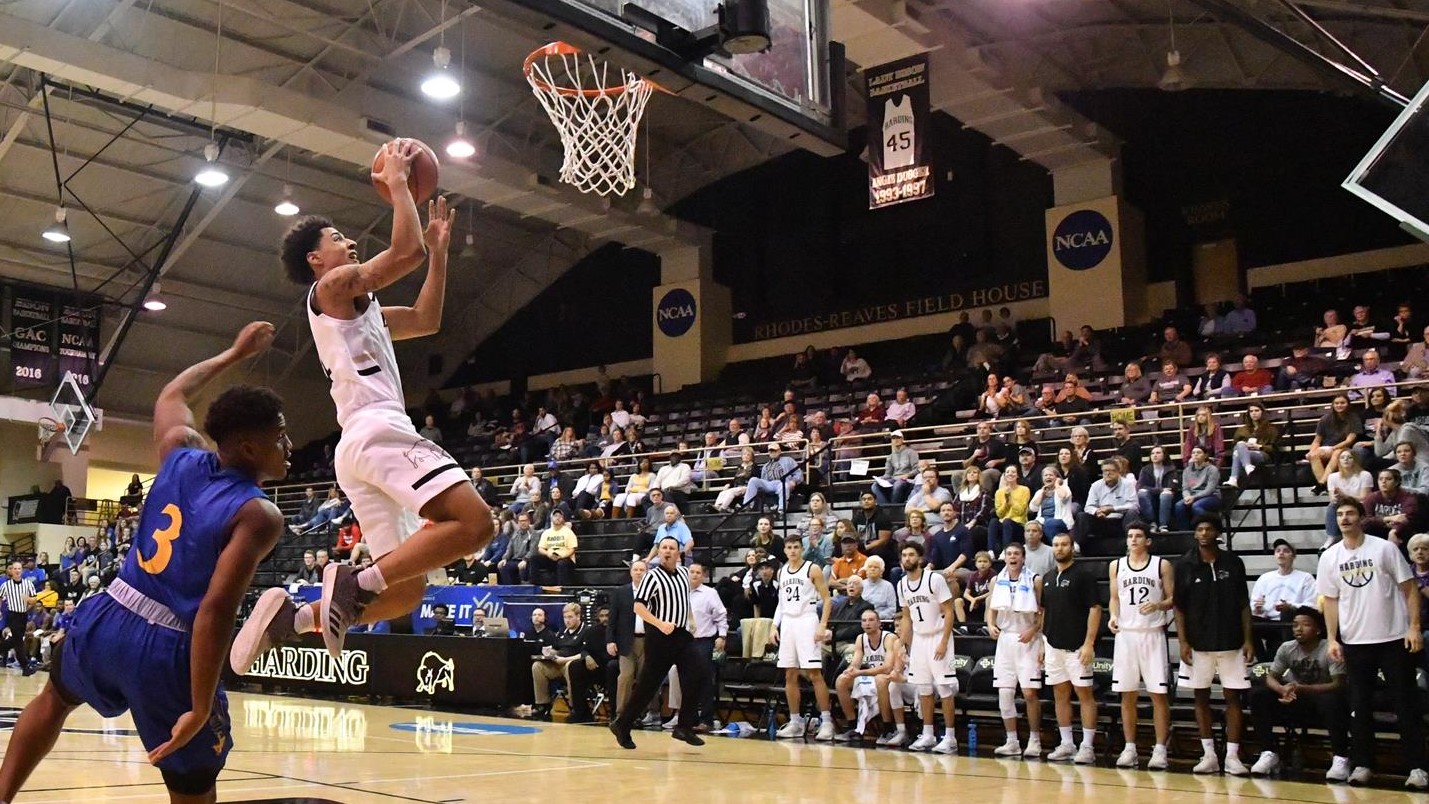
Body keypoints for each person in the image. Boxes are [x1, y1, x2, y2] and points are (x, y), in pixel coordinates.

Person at [0, 322, 287, 804]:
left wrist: (234, 352)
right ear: (249, 447)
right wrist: (199, 705)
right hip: (166, 644)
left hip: (110, 612)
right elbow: (214, 611)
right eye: (279, 436)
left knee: (53, 700)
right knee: (192, 786)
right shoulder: (258, 514)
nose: (289, 445)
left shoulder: (179, 451)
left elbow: (175, 391)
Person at [268, 164, 491, 656]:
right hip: (376, 428)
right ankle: (354, 585)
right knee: (476, 525)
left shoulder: (360, 310)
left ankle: (295, 617)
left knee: (407, 591)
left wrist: (439, 255)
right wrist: (397, 185)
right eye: (337, 238)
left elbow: (426, 320)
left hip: (359, 445)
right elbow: (402, 253)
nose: (349, 243)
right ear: (315, 259)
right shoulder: (327, 290)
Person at [1316, 498, 1426, 788]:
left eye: (1350, 513)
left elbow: (1410, 588)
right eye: (1339, 514)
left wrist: (1414, 627)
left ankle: (1417, 768)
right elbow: (1330, 600)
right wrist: (1331, 638)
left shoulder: (1384, 549)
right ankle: (1363, 764)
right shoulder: (1330, 557)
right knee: (1359, 706)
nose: (1344, 518)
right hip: (1355, 642)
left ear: (1362, 518)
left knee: (1406, 705)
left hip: (1393, 638)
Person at [608, 537, 712, 750]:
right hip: (659, 637)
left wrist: (690, 622)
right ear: (659, 552)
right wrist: (660, 623)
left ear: (678, 553)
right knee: (648, 686)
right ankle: (622, 724)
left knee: (700, 673)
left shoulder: (684, 573)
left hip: (682, 635)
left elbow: (684, 601)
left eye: (671, 548)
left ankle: (683, 727)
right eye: (663, 547)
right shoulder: (652, 576)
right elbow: (639, 607)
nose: (667, 551)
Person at [1174, 516, 1253, 775]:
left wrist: (1249, 639)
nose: (1204, 533)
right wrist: (1183, 641)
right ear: (1195, 534)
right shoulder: (1185, 565)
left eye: (1209, 529)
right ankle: (1208, 754)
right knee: (1201, 697)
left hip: (1232, 641)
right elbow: (1179, 607)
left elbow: (1244, 604)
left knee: (1233, 697)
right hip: (1198, 643)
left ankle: (1232, 755)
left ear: (1217, 533)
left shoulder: (1234, 562)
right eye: (1199, 529)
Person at [1247, 606, 1351, 779]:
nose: (1298, 629)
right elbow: (1270, 677)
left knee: (1333, 700)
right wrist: (1282, 689)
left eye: (1305, 625)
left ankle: (1341, 758)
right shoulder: (1287, 648)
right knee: (1259, 695)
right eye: (1295, 625)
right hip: (1295, 698)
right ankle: (1268, 752)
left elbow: (1338, 684)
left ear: (1318, 630)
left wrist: (1303, 688)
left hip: (1321, 699)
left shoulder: (1330, 649)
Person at [1110, 525, 1175, 770]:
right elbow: (1114, 598)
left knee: (1158, 695)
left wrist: (1158, 605)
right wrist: (1113, 617)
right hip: (1126, 635)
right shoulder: (1116, 565)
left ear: (1148, 541)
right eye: (1130, 536)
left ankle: (1160, 749)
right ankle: (1130, 748)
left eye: (1138, 536)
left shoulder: (1162, 565)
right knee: (1127, 694)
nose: (1133, 539)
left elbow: (1172, 599)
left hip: (1152, 634)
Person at [1042, 533, 1101, 764]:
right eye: (1056, 545)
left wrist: (1089, 643)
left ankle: (1087, 746)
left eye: (1064, 544)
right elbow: (1044, 612)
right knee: (1060, 694)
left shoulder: (1083, 576)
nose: (1059, 548)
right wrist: (1042, 642)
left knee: (1084, 694)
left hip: (1078, 646)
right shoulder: (1047, 577)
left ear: (1071, 548)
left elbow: (1095, 609)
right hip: (1053, 645)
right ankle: (1067, 743)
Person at [770, 535, 835, 741]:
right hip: (788, 622)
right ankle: (796, 721)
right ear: (785, 550)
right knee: (789, 673)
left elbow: (826, 599)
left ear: (801, 549)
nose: (792, 551)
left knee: (814, 673)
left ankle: (826, 722)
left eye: (796, 547)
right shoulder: (781, 572)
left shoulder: (812, 569)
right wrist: (774, 625)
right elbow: (781, 602)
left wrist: (822, 624)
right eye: (789, 547)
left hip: (807, 620)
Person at [895, 542, 958, 754]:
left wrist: (944, 642)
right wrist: (903, 644)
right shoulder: (902, 584)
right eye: (904, 555)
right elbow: (906, 617)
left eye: (911, 555)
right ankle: (928, 734)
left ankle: (950, 738)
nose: (907, 559)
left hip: (939, 636)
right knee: (923, 688)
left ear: (920, 558)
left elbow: (949, 612)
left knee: (944, 687)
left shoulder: (935, 579)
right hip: (920, 639)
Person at [987, 543, 1045, 759]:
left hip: (1027, 637)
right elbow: (990, 609)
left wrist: (1034, 629)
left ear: (1023, 557)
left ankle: (1035, 739)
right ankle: (1011, 741)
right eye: (1009, 554)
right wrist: (991, 624)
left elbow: (1042, 611)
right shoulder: (996, 580)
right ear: (1004, 557)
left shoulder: (1035, 579)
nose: (1012, 557)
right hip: (1005, 639)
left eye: (1016, 554)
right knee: (1005, 693)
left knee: (1030, 692)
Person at [833, 609, 900, 743]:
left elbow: (887, 668)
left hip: (891, 678)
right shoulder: (861, 638)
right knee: (841, 681)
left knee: (880, 680)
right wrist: (850, 671)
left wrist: (860, 672)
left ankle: (887, 728)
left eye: (871, 620)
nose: (867, 623)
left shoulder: (889, 638)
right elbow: (856, 662)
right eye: (864, 620)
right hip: (872, 676)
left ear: (879, 622)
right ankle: (853, 726)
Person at [685, 564, 728, 732]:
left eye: (698, 573)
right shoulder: (680, 592)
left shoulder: (710, 593)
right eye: (692, 572)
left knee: (705, 680)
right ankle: (690, 719)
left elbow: (721, 615)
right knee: (687, 681)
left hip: (703, 641)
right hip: (684, 642)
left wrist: (722, 635)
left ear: (703, 576)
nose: (694, 575)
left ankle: (706, 719)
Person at [1251, 539, 1317, 623]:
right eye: (1278, 551)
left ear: (1293, 556)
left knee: (1286, 614)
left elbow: (1312, 604)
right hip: (1269, 621)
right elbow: (1254, 606)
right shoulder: (1264, 578)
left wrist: (1290, 607)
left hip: (1294, 621)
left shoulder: (1305, 577)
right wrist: (1258, 608)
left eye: (1286, 551)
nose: (1281, 553)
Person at [1224, 403, 1279, 489]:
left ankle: (1234, 477)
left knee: (1238, 450)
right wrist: (1245, 446)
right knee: (1240, 445)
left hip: (1262, 454)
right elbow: (1234, 446)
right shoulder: (1242, 429)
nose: (1254, 413)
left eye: (1257, 410)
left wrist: (1259, 446)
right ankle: (1247, 467)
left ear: (1262, 412)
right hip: (1244, 453)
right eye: (1251, 411)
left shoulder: (1271, 429)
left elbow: (1274, 448)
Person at [0, 562, 37, 675]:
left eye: (19, 568)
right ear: (11, 571)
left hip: (23, 615)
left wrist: (28, 600)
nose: (17, 570)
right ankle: (25, 666)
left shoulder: (28, 584)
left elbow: (34, 600)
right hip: (12, 614)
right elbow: (0, 598)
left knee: (16, 640)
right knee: (18, 640)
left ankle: (1, 648)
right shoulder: (6, 585)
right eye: (14, 568)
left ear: (22, 570)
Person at [872, 431, 920, 505]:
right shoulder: (890, 456)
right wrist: (880, 478)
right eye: (893, 438)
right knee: (875, 485)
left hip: (907, 479)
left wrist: (907, 475)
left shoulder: (911, 452)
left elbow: (917, 469)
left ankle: (893, 507)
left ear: (902, 439)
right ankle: (886, 506)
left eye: (898, 438)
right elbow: (888, 474)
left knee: (898, 484)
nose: (896, 440)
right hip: (894, 478)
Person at [532, 509, 578, 586]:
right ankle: (535, 584)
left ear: (563, 519)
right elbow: (541, 548)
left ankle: (562, 587)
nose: (557, 518)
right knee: (534, 558)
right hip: (550, 558)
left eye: (560, 516)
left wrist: (561, 556)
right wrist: (548, 554)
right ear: (551, 518)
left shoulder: (568, 532)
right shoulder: (546, 532)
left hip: (566, 559)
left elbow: (573, 549)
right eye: (555, 516)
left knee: (562, 563)